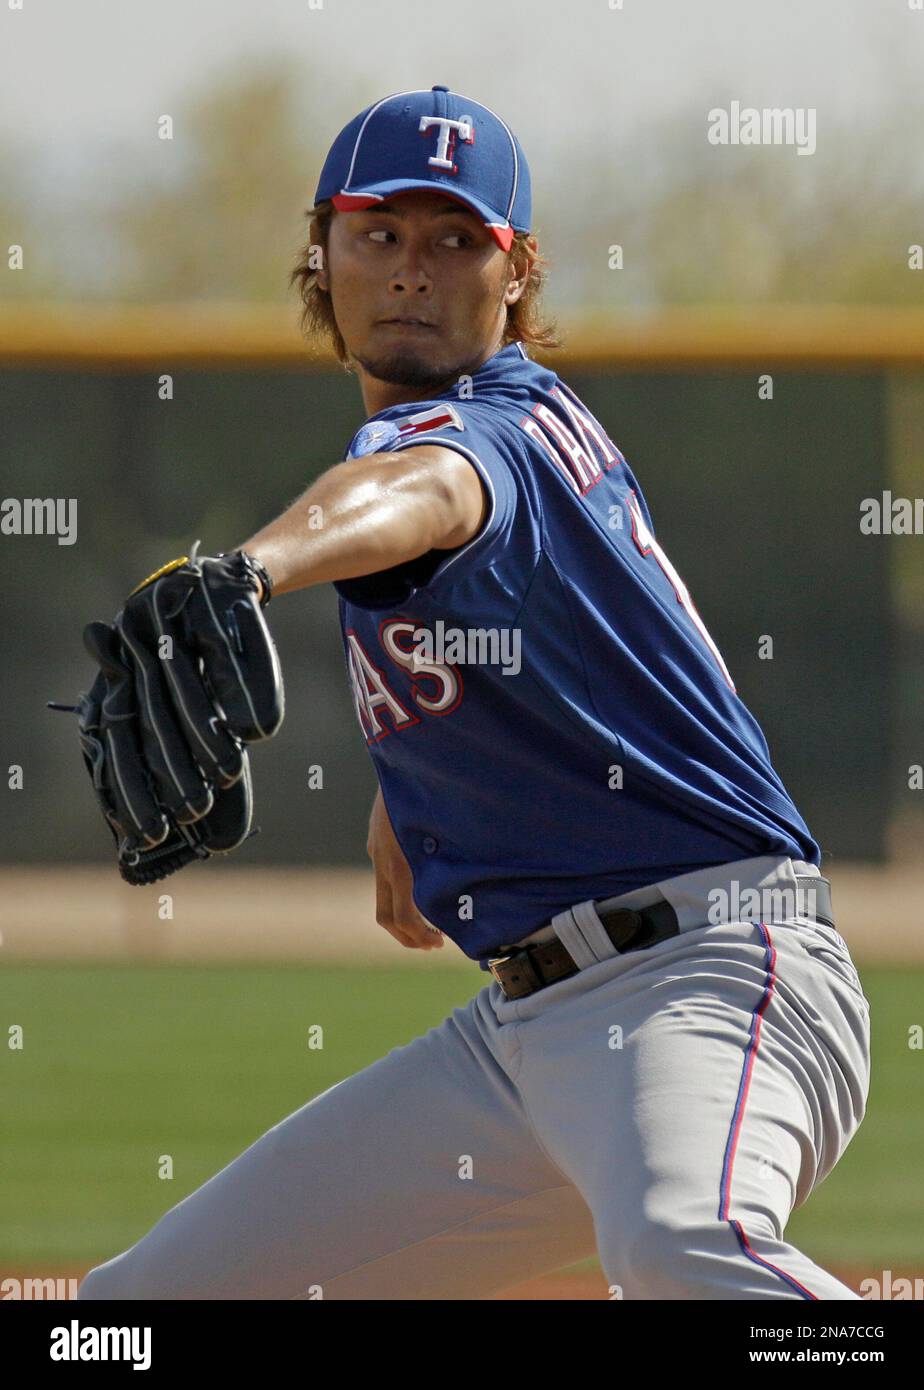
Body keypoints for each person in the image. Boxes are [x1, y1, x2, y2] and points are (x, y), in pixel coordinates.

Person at [77, 85, 871, 1301]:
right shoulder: (492, 452)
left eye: (456, 239)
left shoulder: (481, 431)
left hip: (709, 977)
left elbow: (427, 492)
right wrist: (417, 799)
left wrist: (252, 570)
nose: (412, 270)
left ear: (516, 273)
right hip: (524, 1043)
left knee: (683, 1250)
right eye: (378, 234)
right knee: (131, 1317)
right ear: (321, 254)